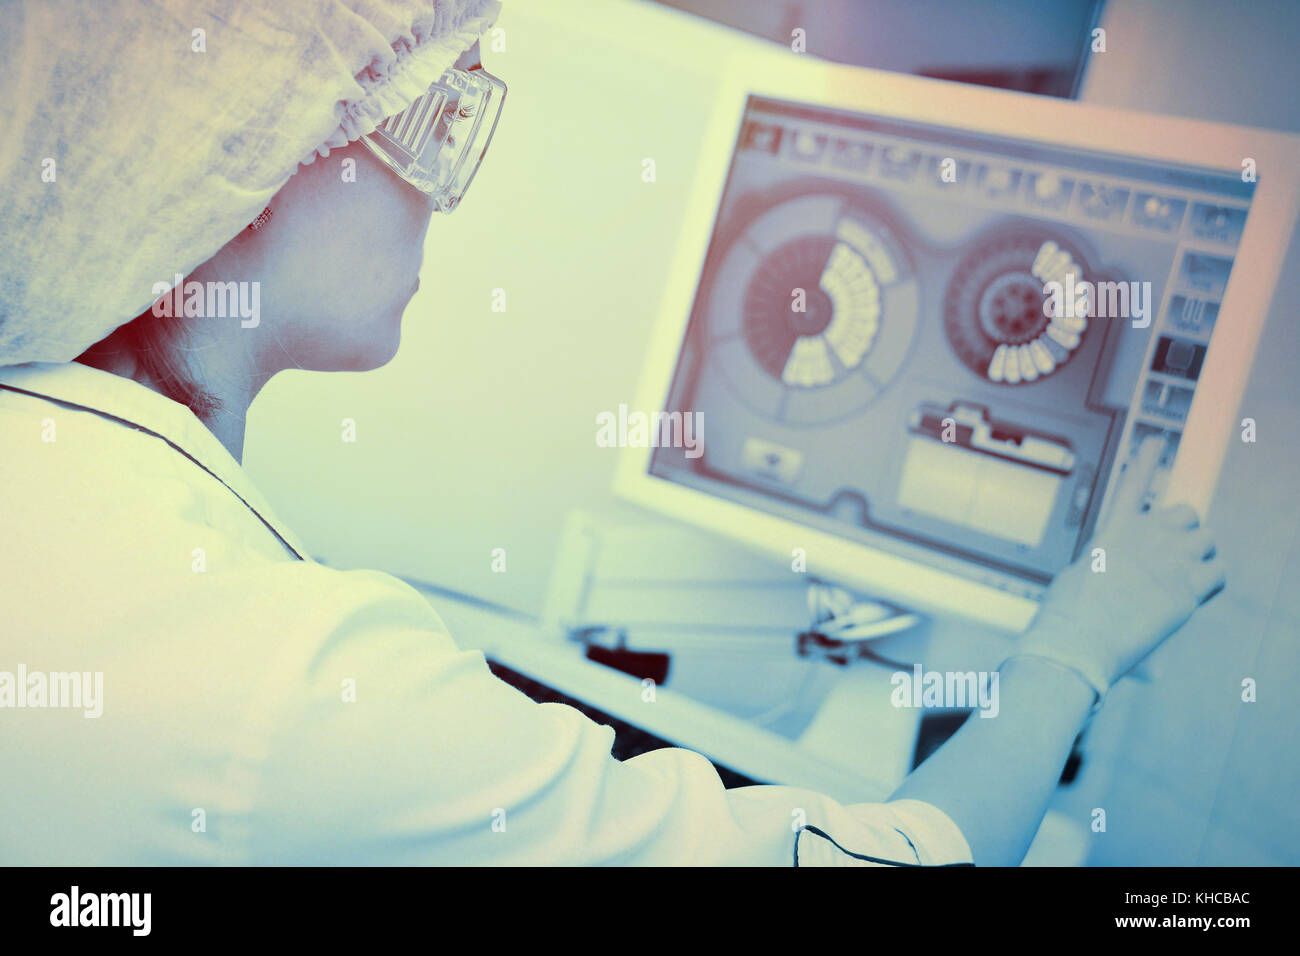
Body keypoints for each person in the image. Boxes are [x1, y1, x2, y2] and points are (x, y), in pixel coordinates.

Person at [0, 0, 1224, 866]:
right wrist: (1071, 651)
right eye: (427, 118)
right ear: (239, 157)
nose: (443, 192)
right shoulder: (292, 683)